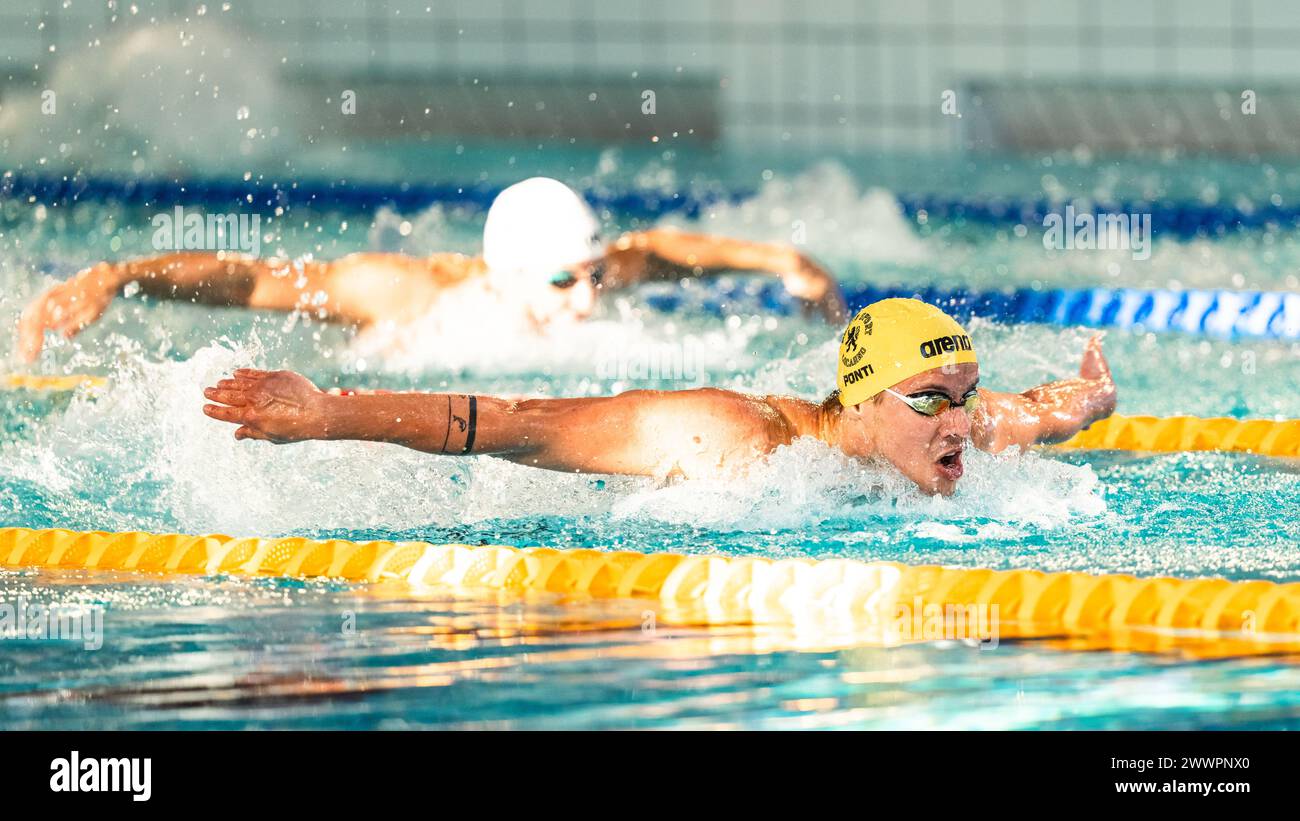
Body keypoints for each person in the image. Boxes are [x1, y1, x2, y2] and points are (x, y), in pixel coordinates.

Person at [199, 298, 1118, 496]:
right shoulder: (732, 437)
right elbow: (520, 427)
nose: (959, 419)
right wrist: (327, 415)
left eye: (966, 393)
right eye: (931, 400)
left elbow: (1044, 409)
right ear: (863, 398)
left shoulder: (961, 431)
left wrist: (1089, 397)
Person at [16, 177, 848, 362]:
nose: (591, 295)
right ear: (509, 272)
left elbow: (665, 251)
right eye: (567, 281)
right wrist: (120, 273)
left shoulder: (577, 278)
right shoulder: (417, 294)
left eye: (596, 274)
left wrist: (781, 259)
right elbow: (256, 281)